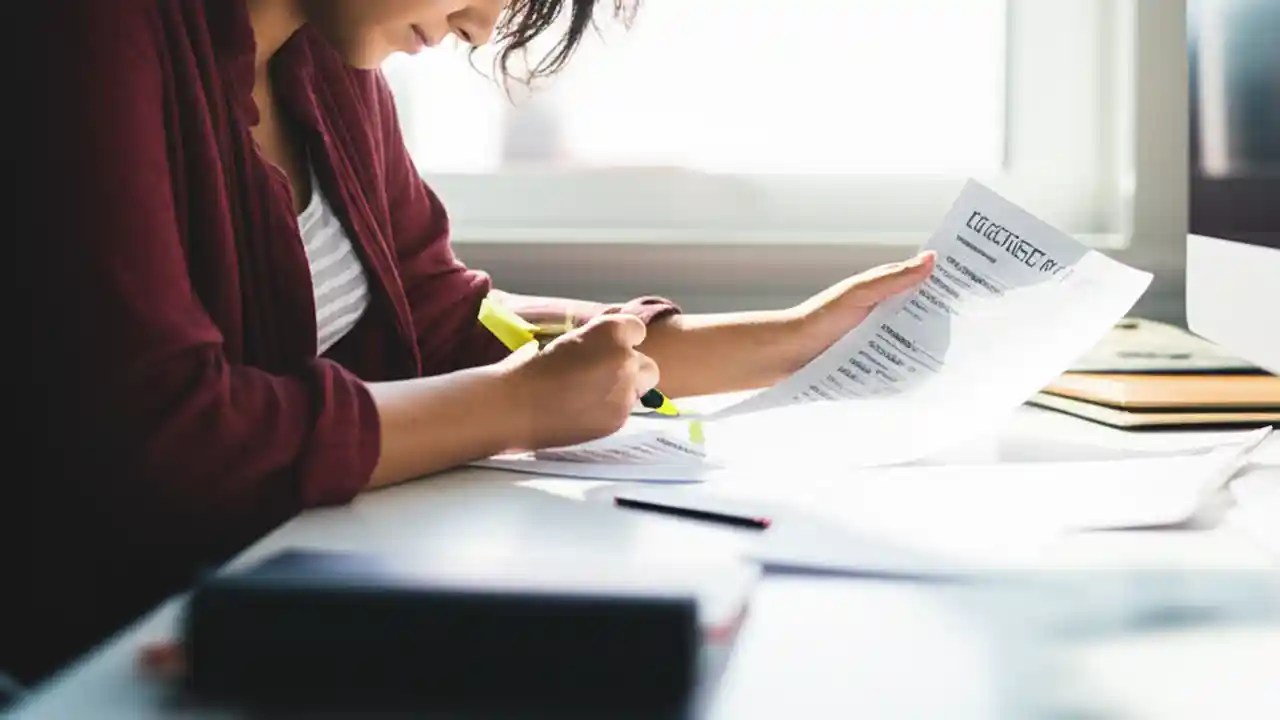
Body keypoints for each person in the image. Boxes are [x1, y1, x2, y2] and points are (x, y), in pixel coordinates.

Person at [14, 0, 935, 683]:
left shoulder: (329, 68)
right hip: (94, 655)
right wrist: (516, 407)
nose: (484, 23)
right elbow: (168, 438)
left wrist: (795, 338)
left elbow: (442, 320)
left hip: (258, 605)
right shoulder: (85, 33)